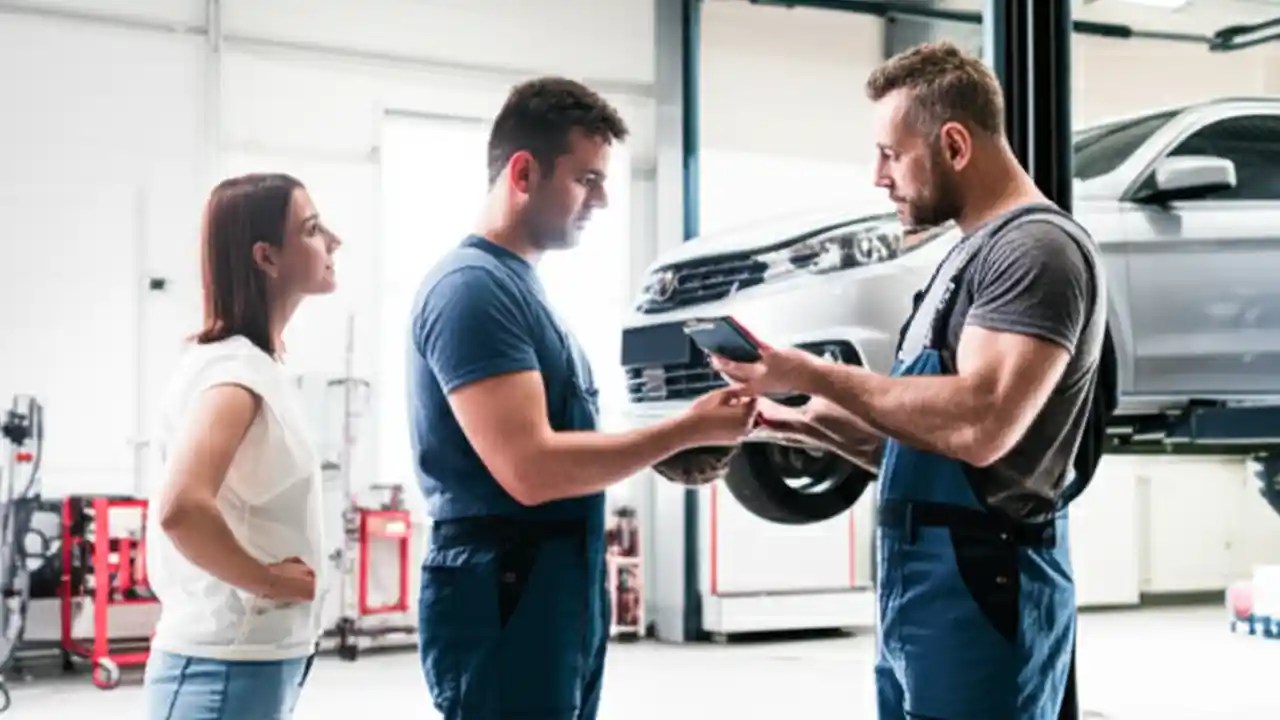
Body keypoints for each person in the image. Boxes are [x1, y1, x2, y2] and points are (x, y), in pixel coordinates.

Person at [713, 42, 1108, 720]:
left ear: (954, 145)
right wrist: (784, 420)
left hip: (985, 587)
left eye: (891, 154)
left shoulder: (1037, 250)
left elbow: (979, 424)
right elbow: (922, 438)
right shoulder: (965, 256)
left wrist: (809, 371)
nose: (878, 177)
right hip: (921, 589)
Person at [407, 77, 757, 719]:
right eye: (586, 179)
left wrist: (670, 443)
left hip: (553, 590)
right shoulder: (472, 291)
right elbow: (531, 469)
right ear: (523, 172)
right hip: (507, 595)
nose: (602, 199)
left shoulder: (521, 287)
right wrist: (680, 431)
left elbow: (559, 441)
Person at [144, 173, 342, 720]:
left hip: (248, 661)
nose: (334, 240)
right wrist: (270, 581)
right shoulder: (235, 372)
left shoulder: (257, 366)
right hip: (222, 666)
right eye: (312, 228)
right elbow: (183, 509)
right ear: (267, 257)